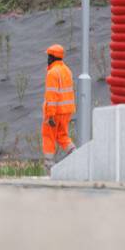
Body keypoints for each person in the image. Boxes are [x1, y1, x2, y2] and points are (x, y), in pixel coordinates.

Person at [42, 43, 76, 173]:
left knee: (48, 136)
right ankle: (75, 153)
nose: (47, 59)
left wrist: (50, 115)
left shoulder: (52, 73)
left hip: (55, 112)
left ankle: (49, 166)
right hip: (66, 111)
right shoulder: (67, 70)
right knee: (62, 135)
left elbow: (52, 96)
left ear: (52, 57)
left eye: (48, 56)